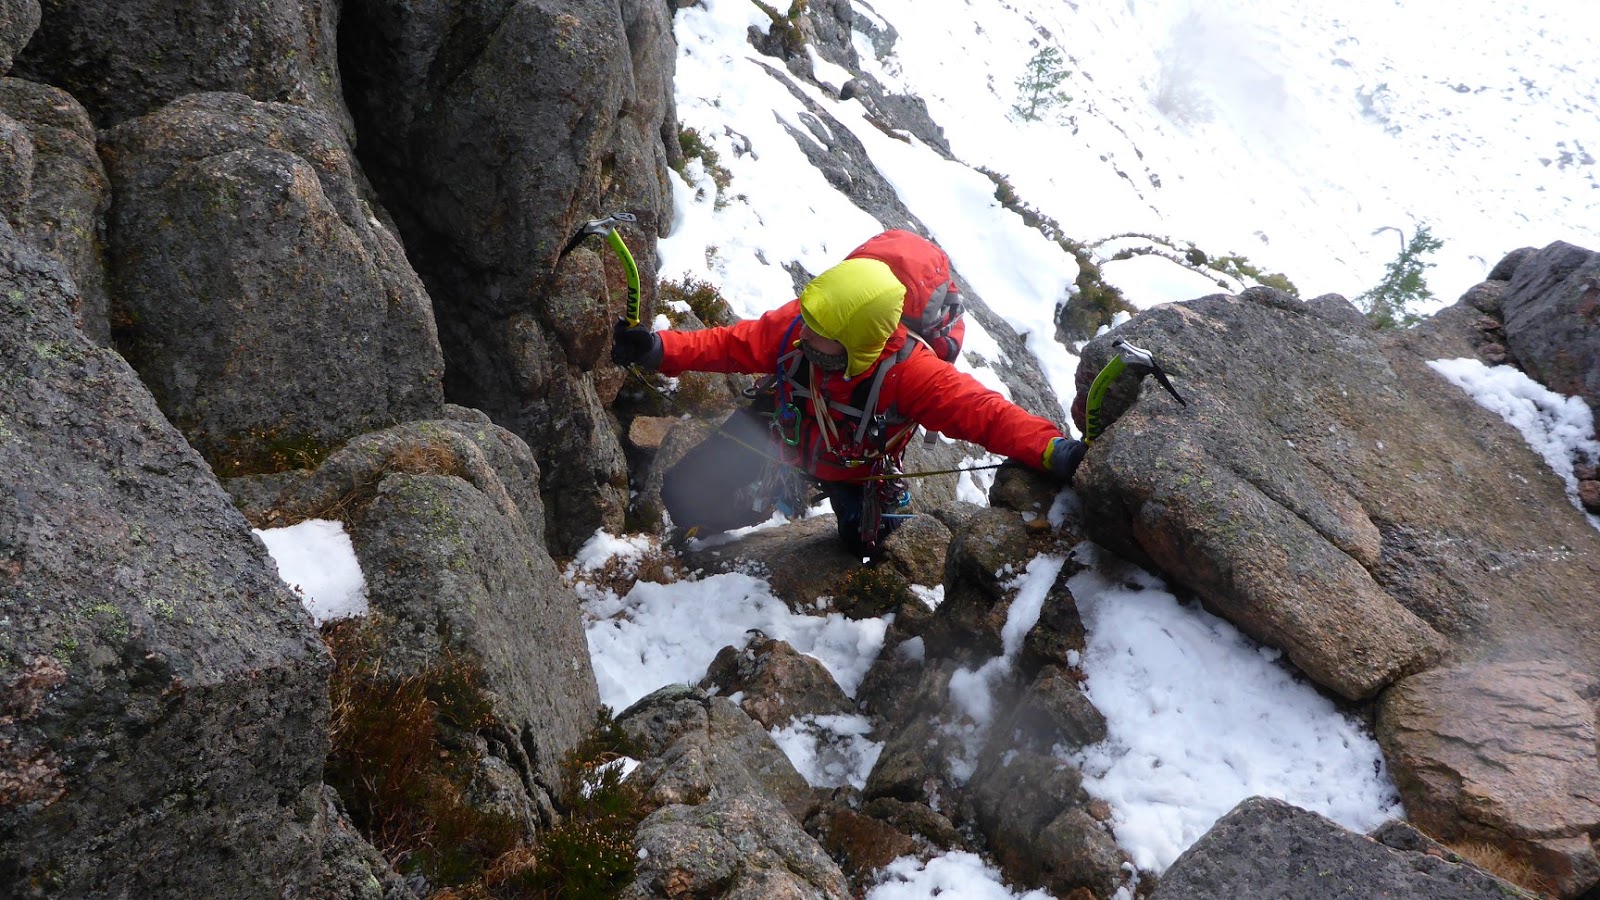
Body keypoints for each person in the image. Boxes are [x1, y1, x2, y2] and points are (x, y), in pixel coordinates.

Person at [613, 254, 1087, 554]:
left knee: (875, 550)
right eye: (808, 326)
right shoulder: (804, 324)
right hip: (783, 428)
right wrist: (659, 350)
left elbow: (987, 414)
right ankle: (711, 531)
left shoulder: (910, 372)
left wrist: (1053, 450)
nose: (807, 338)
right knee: (682, 492)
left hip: (858, 466)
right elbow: (731, 344)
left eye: (823, 338)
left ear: (861, 342)